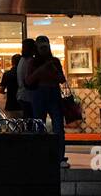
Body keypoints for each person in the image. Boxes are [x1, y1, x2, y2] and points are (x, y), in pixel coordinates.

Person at [25, 35, 69, 168]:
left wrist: (53, 69)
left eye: (46, 47)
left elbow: (62, 79)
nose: (44, 50)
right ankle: (40, 155)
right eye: (41, 47)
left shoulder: (54, 61)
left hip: (52, 93)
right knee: (39, 125)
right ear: (37, 48)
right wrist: (41, 70)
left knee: (58, 127)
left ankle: (60, 157)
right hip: (39, 93)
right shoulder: (33, 62)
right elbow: (28, 81)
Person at [15, 38, 38, 123]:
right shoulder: (30, 61)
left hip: (22, 94)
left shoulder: (22, 60)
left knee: (27, 120)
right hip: (28, 95)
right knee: (31, 121)